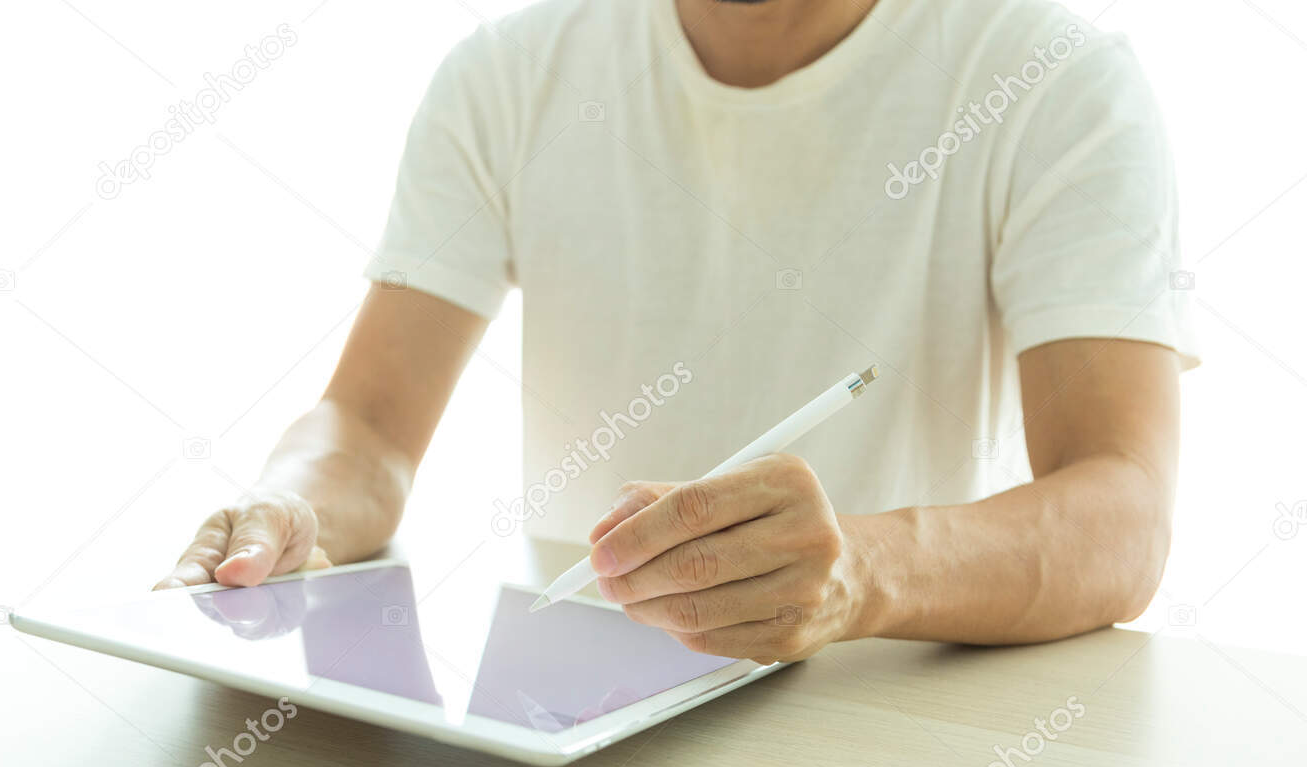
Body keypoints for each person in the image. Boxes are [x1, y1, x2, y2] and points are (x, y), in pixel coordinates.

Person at [155, 0, 1196, 665]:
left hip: (879, 725)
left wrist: (860, 576)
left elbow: (1124, 513)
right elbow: (370, 424)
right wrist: (291, 507)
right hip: (569, 724)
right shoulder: (508, 73)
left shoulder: (1052, 79)